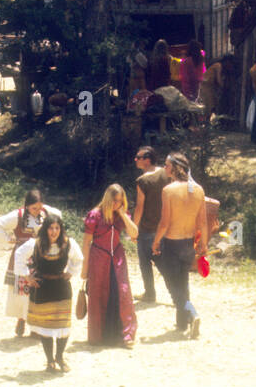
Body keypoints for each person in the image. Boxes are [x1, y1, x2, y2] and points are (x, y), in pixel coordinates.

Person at [151, 153, 208, 337]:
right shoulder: (198, 190)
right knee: (182, 281)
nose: (165, 168)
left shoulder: (168, 190)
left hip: (172, 242)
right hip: (189, 243)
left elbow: (164, 222)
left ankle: (191, 313)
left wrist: (156, 241)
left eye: (167, 165)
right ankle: (182, 323)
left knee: (172, 284)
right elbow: (203, 222)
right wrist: (203, 244)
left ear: (175, 168)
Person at [16, 214, 82, 372]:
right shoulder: (36, 244)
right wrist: (27, 276)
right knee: (45, 327)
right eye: (51, 228)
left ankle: (59, 357)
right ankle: (50, 361)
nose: (54, 232)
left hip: (61, 288)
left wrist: (71, 272)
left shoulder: (68, 243)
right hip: (42, 288)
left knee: (63, 326)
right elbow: (19, 255)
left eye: (57, 228)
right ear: (45, 229)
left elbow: (78, 259)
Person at [0, 188, 59, 337]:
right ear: (27, 205)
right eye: (34, 208)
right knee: (23, 292)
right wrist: (8, 240)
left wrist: (43, 208)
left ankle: (35, 326)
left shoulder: (45, 213)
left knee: (39, 290)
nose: (37, 211)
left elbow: (59, 215)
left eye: (39, 207)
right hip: (23, 257)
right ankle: (21, 319)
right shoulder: (18, 216)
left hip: (40, 257)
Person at [81, 183, 138, 347]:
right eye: (114, 200)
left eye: (120, 200)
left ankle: (126, 334)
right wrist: (85, 269)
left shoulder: (122, 215)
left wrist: (123, 214)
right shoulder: (95, 215)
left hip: (117, 258)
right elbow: (86, 243)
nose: (117, 203)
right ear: (108, 198)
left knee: (122, 293)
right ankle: (99, 336)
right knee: (98, 293)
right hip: (98, 257)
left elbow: (135, 234)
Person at [132, 146, 170, 304]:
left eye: (138, 157)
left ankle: (150, 294)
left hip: (147, 227)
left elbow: (140, 207)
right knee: (162, 261)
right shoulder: (166, 173)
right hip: (164, 226)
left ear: (147, 160)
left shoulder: (142, 181)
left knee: (144, 262)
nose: (135, 159)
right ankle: (177, 291)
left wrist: (133, 228)